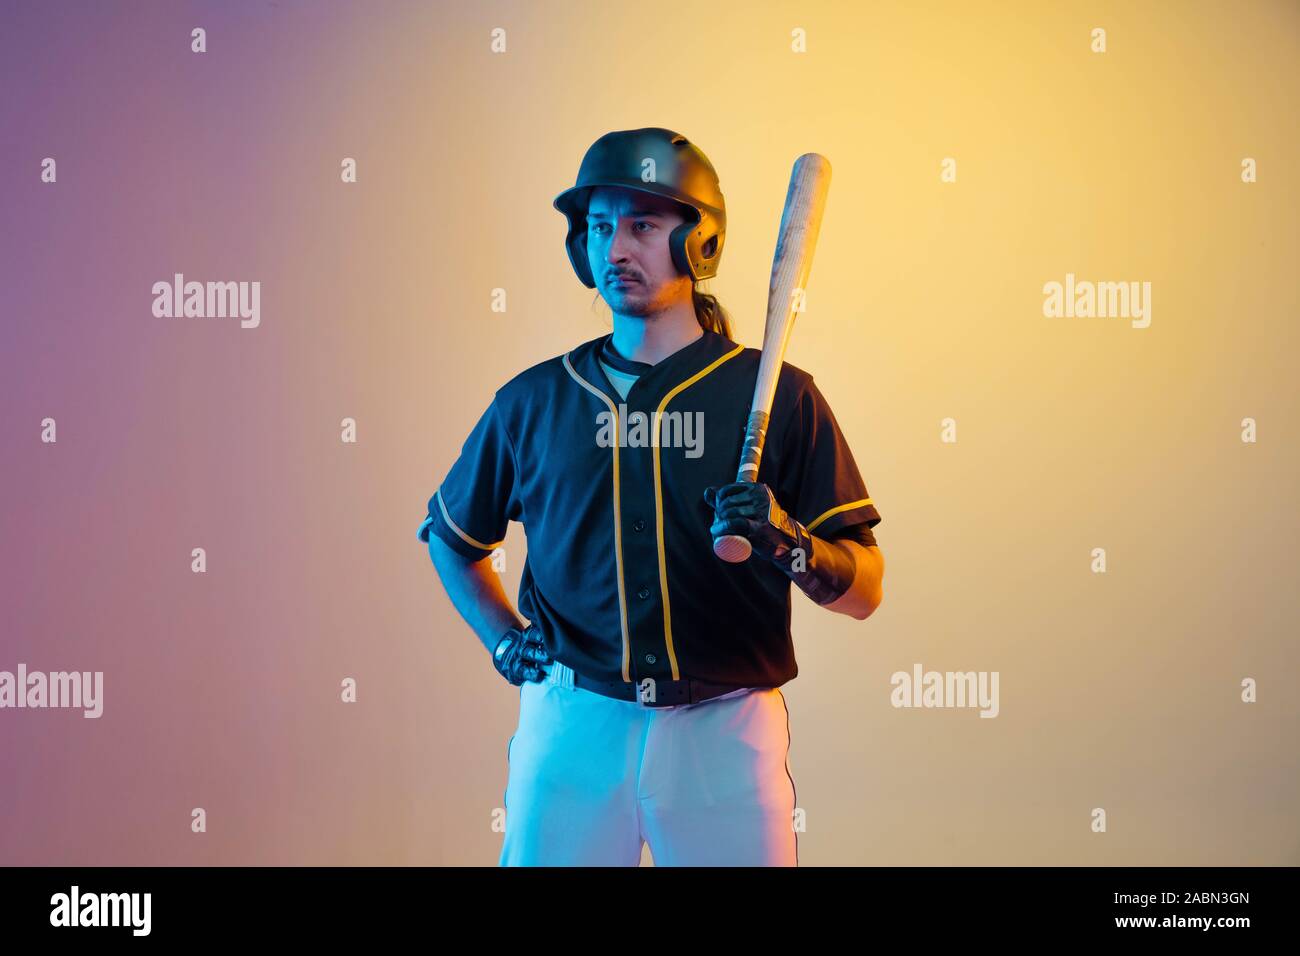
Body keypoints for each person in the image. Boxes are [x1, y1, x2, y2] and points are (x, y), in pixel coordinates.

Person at [418, 127, 885, 866]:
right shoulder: (535, 400)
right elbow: (452, 537)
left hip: (724, 733)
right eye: (601, 227)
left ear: (699, 244)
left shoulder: (780, 394)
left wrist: (787, 540)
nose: (616, 249)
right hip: (573, 722)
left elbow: (865, 591)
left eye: (643, 225)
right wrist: (505, 639)